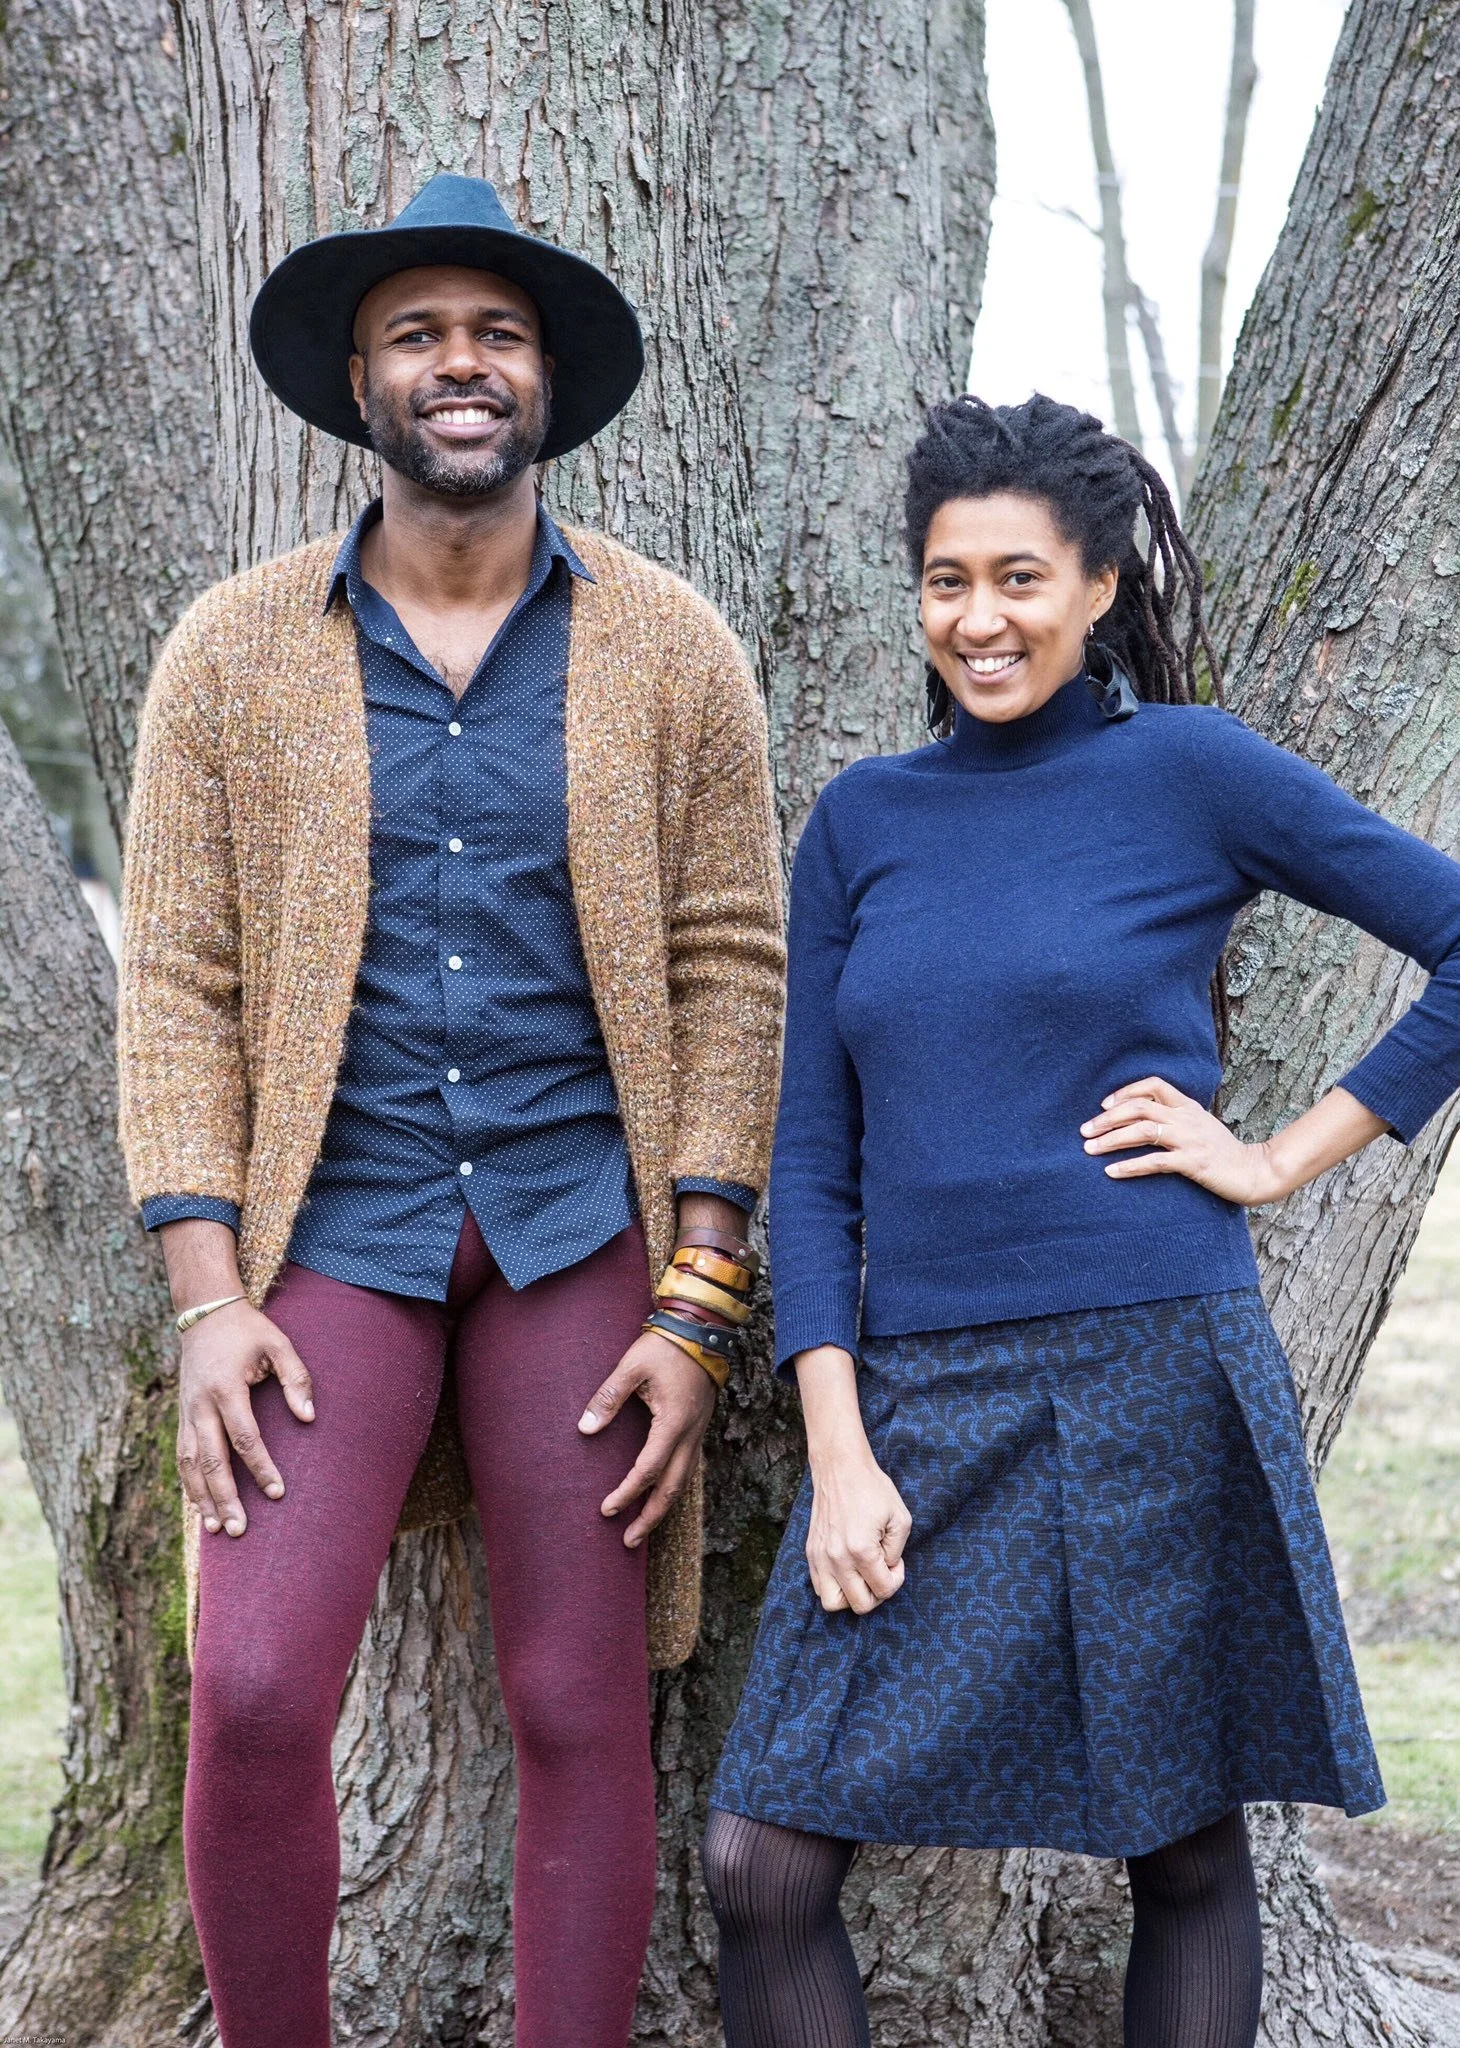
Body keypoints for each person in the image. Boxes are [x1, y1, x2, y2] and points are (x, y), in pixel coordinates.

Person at [702, 392, 1460, 2048]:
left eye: (1021, 579)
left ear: (1101, 584)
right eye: (946, 581)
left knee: (1178, 1848)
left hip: (1150, 1368)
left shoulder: (1186, 772)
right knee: (762, 1864)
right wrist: (838, 1442)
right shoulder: (862, 824)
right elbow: (811, 1166)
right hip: (913, 1399)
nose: (980, 620)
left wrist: (1275, 1159)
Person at [117, 172, 785, 2048]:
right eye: (419, 333)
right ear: (359, 380)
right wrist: (204, 1293)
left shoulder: (672, 649)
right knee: (252, 1687)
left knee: (578, 1700)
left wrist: (697, 1303)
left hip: (583, 1229)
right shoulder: (235, 653)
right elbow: (178, 982)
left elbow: (735, 966)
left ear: (547, 378)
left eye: (495, 333)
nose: (461, 365)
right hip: (334, 1229)